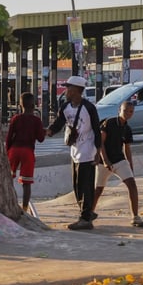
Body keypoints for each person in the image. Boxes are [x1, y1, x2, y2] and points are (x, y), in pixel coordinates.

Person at [46, 75, 102, 230]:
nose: (66, 91)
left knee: (86, 185)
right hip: (75, 150)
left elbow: (97, 130)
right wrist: (50, 131)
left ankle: (85, 218)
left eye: (69, 88)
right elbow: (59, 122)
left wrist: (98, 151)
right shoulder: (65, 107)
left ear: (77, 90)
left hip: (88, 150)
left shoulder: (89, 108)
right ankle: (87, 213)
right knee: (77, 185)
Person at [92, 101, 143, 227]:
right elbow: (101, 142)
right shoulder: (109, 123)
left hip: (119, 160)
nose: (128, 113)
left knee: (132, 185)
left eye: (131, 111)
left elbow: (127, 148)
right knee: (98, 190)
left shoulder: (127, 129)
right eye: (126, 111)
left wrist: (130, 165)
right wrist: (105, 160)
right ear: (119, 110)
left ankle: (135, 216)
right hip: (104, 161)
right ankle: (89, 213)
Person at [5, 92, 46, 213]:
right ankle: (24, 208)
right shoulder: (36, 120)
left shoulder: (16, 119)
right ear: (34, 105)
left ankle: (8, 203)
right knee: (26, 182)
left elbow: (9, 138)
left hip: (14, 149)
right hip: (28, 151)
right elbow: (41, 139)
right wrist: (43, 131)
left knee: (8, 178)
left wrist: (8, 151)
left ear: (20, 105)